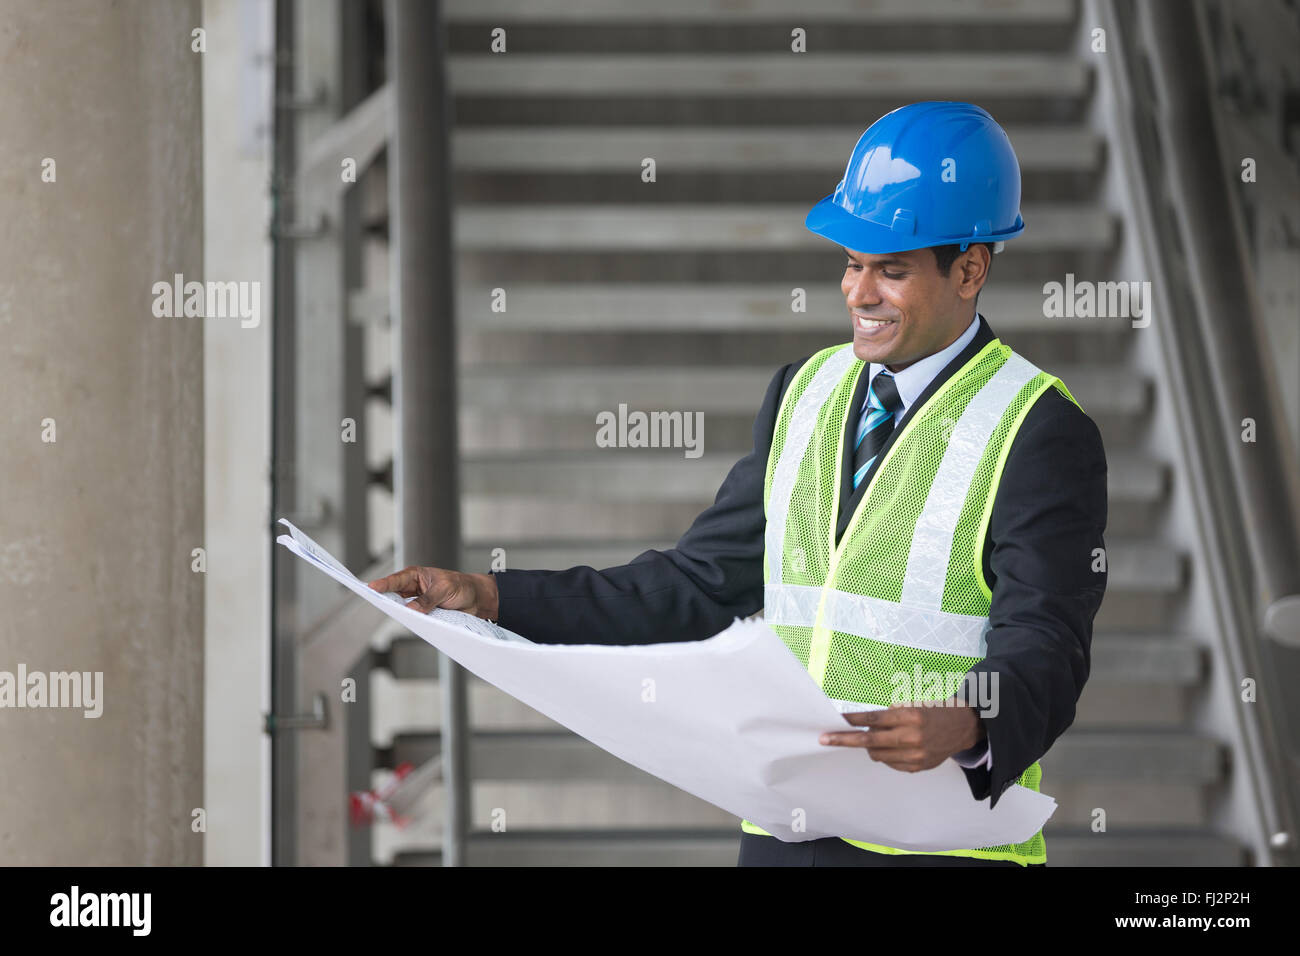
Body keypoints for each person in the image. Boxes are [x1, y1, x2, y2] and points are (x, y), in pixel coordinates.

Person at [368, 101, 1108, 867]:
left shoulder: (1038, 429)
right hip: (787, 833)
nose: (859, 293)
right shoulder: (806, 392)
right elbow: (697, 584)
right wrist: (489, 599)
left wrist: (969, 720)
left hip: (942, 848)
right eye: (852, 263)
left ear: (970, 270)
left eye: (891, 270)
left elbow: (1047, 642)